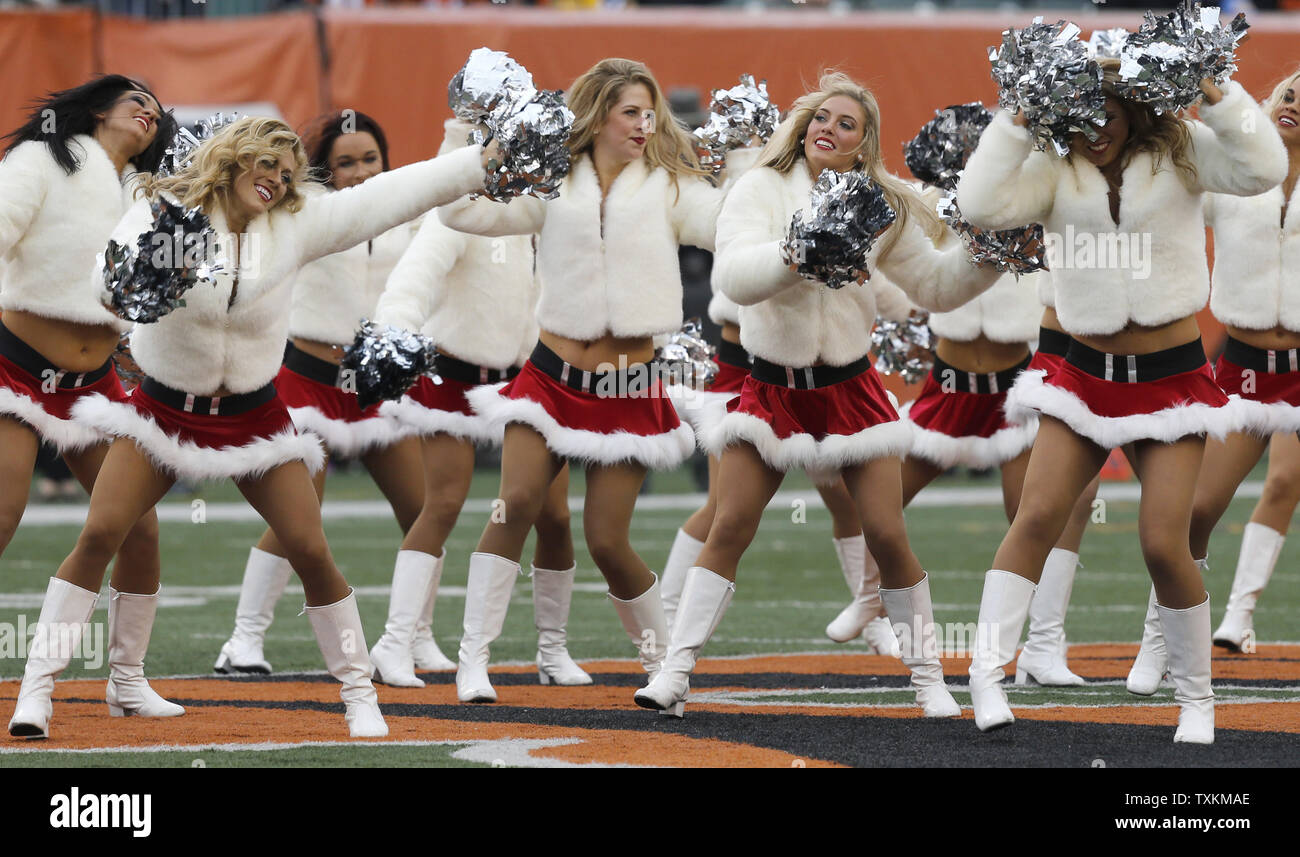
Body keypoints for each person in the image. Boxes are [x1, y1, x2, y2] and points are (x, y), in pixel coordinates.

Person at [8, 115, 496, 739]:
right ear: (234, 158)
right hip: (163, 412)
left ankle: (358, 694)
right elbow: (112, 283)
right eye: (266, 165)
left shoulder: (296, 225)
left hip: (253, 417)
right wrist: (136, 277)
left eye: (288, 174)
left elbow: (389, 197)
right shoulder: (169, 209)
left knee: (311, 548)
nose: (275, 181)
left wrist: (482, 160)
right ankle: (45, 691)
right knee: (102, 531)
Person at [635, 71, 1002, 718]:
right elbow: (734, 277)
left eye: (846, 124)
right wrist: (798, 250)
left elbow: (935, 286)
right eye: (821, 118)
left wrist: (994, 257)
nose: (827, 129)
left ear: (864, 144)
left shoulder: (878, 201)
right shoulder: (761, 187)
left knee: (887, 533)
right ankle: (675, 674)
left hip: (850, 390)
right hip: (772, 389)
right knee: (730, 524)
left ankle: (928, 681)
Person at [957, 58, 1285, 743]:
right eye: (1079, 113)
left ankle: (1197, 697)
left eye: (1108, 110)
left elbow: (1261, 168)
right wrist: (1019, 112)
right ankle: (986, 674)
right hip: (1083, 375)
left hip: (1171, 379)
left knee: (1165, 542)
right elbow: (980, 205)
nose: (1096, 128)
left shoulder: (1183, 150)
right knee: (1038, 517)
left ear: (1136, 107)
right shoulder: (1049, 167)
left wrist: (1210, 89)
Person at [438, 58, 760, 703]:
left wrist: (748, 156)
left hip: (628, 385)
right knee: (516, 503)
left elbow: (735, 226)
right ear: (595, 118)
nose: (643, 125)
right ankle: (473, 662)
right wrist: (465, 136)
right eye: (629, 113)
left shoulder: (670, 188)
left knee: (608, 539)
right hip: (551, 376)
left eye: (649, 113)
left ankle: (665, 668)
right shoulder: (552, 182)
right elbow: (462, 213)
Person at [364, 115, 588, 688]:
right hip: (452, 374)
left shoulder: (545, 214)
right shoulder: (461, 214)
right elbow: (411, 282)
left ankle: (554, 651)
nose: (522, 161)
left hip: (527, 383)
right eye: (509, 148)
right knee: (441, 505)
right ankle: (393, 645)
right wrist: (394, 333)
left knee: (556, 515)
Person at [212, 110, 425, 678]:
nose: (359, 171)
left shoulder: (406, 216)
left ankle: (415, 638)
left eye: (370, 158)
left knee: (424, 511)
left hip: (376, 389)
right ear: (322, 171)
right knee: (299, 515)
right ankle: (243, 642)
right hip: (308, 381)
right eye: (345, 162)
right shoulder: (302, 214)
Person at [0, 75, 180, 727]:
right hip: (15, 374)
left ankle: (127, 680)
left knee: (136, 527)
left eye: (158, 112)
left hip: (95, 388)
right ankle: (42, 688)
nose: (149, 113)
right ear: (100, 109)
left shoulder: (150, 194)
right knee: (2, 512)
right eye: (138, 101)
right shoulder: (45, 157)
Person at [1126, 67, 1300, 688]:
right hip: (1246, 368)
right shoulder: (1231, 174)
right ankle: (1160, 640)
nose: (1295, 106)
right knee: (1195, 510)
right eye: (1288, 94)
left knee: (1281, 487)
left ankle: (1237, 616)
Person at [874, 263, 1099, 686]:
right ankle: (873, 611)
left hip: (1016, 379)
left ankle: (1045, 647)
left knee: (1049, 507)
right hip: (949, 384)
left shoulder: (1027, 199)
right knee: (877, 501)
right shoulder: (934, 199)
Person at [664, 285, 901, 656]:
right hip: (748, 359)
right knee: (723, 510)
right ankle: (668, 629)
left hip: (819, 365)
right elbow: (736, 268)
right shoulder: (749, 226)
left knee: (845, 499)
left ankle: (872, 617)